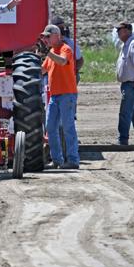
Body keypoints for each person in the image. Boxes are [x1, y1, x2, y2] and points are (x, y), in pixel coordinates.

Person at [39, 24, 80, 169]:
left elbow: (62, 61)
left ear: (57, 36)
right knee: (50, 127)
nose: (46, 39)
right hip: (55, 96)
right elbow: (41, 70)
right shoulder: (52, 52)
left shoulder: (65, 49)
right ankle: (57, 160)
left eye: (48, 36)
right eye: (45, 37)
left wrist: (47, 53)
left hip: (67, 94)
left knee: (68, 127)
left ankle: (73, 160)